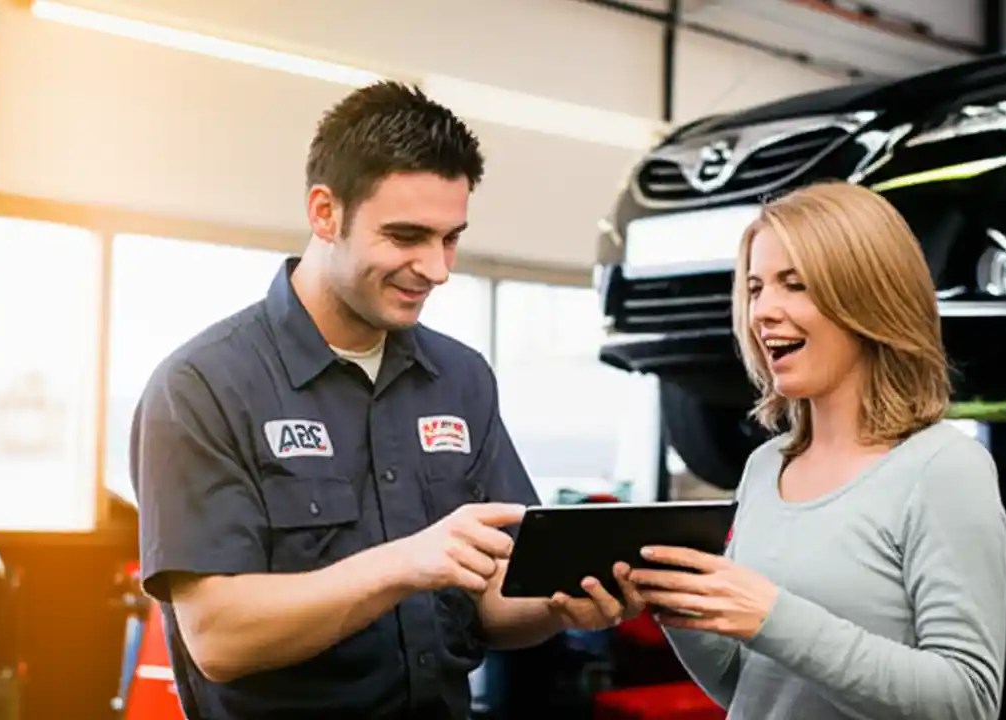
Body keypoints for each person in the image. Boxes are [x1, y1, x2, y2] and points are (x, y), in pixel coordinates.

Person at [129, 81, 644, 720]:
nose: (437, 268)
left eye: (450, 238)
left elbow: (495, 606)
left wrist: (566, 603)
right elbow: (218, 638)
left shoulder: (461, 378)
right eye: (406, 236)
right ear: (325, 212)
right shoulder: (204, 387)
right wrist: (404, 563)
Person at [622, 181, 1006, 719]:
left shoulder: (944, 468)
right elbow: (750, 691)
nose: (763, 312)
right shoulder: (765, 467)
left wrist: (772, 617)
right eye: (756, 288)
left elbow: (967, 701)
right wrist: (679, 609)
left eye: (794, 284)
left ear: (869, 297)